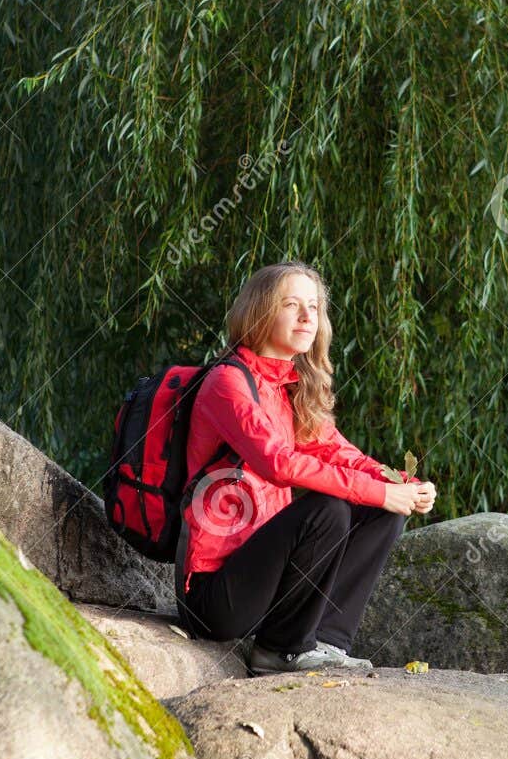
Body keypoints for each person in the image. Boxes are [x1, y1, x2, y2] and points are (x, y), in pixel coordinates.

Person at [173, 262, 437, 675]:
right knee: (328, 510)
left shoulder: (290, 387)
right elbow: (278, 463)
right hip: (215, 598)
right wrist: (380, 490)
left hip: (266, 586)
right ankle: (277, 651)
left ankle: (325, 641)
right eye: (291, 305)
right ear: (260, 311)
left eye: (313, 307)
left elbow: (337, 452)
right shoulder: (228, 382)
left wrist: (401, 484)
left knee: (383, 510)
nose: (306, 317)